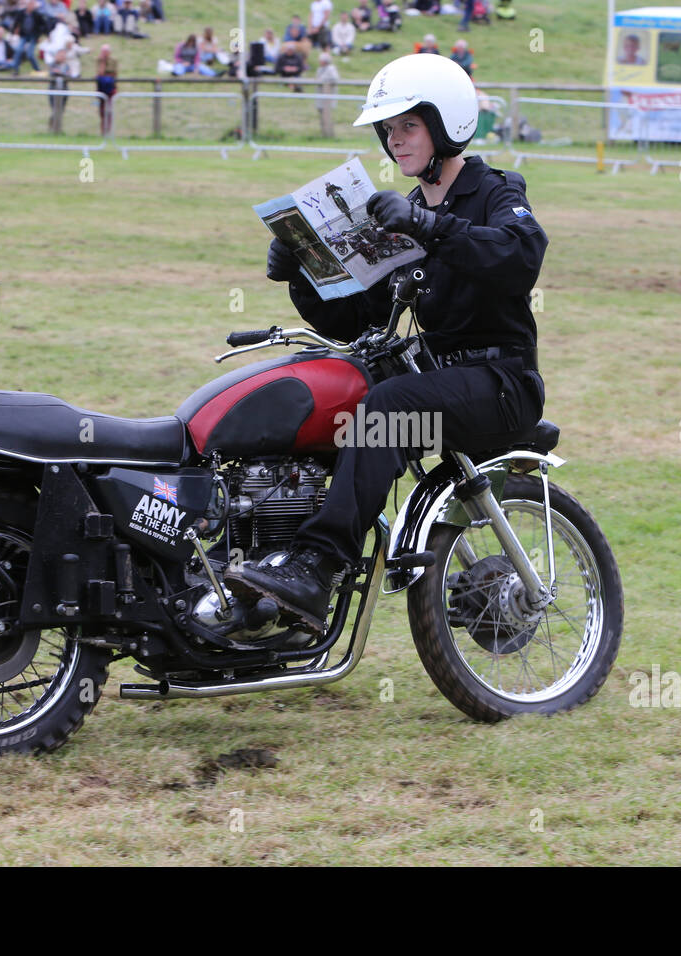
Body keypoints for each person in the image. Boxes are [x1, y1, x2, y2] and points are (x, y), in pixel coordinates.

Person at [226, 53, 547, 635]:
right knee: (324, 405)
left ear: (445, 123)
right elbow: (360, 319)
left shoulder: (493, 191)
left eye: (408, 126)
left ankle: (317, 567)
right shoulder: (408, 210)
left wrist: (428, 227)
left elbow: (519, 256)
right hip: (437, 386)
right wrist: (300, 272)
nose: (395, 140)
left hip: (501, 387)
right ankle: (276, 590)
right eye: (388, 129)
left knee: (385, 412)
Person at [94, 42, 116, 134]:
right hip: (101, 89)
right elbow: (100, 73)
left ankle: (109, 131)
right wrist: (102, 62)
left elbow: (112, 73)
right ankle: (103, 131)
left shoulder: (113, 61)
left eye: (105, 51)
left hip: (110, 89)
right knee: (102, 111)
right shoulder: (99, 61)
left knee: (109, 110)